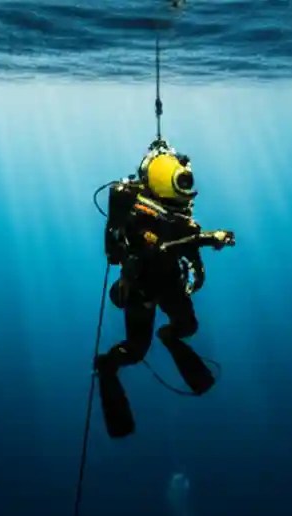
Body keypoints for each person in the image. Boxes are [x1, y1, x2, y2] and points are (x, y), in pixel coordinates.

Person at [93, 138, 236, 438]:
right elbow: (159, 250)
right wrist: (208, 240)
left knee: (188, 326)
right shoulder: (139, 218)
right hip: (140, 290)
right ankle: (108, 367)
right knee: (135, 350)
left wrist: (197, 264)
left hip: (169, 284)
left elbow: (185, 248)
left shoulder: (181, 221)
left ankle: (169, 336)